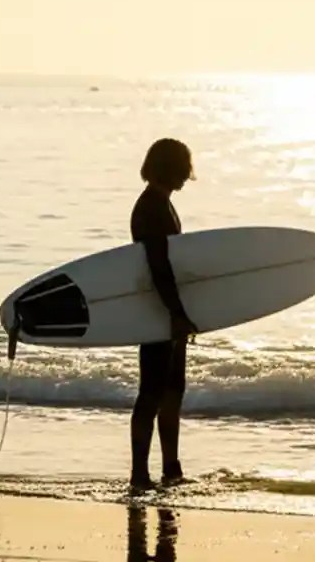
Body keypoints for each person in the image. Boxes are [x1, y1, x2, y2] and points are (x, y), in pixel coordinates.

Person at [128, 137, 198, 491]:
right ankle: (139, 473)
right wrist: (175, 313)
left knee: (173, 391)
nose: (187, 175)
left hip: (169, 313)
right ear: (169, 168)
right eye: (183, 168)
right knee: (152, 392)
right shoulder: (151, 208)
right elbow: (158, 267)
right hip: (158, 313)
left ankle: (172, 468)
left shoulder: (163, 204)